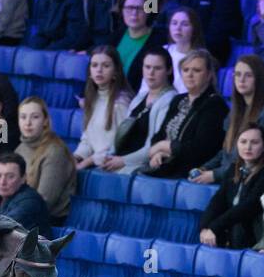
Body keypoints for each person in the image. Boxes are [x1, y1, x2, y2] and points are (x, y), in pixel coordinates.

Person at [191, 54, 264, 183]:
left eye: (248, 75)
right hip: (229, 177)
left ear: (259, 79)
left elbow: (259, 161)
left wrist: (215, 175)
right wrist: (205, 168)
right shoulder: (235, 111)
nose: (241, 80)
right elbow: (225, 152)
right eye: (237, 74)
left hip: (248, 182)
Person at [143, 49, 227, 180]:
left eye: (197, 70)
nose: (190, 75)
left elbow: (200, 149)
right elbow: (158, 136)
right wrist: (157, 153)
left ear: (209, 74)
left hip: (190, 171)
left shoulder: (215, 105)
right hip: (166, 165)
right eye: (186, 70)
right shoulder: (178, 100)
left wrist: (163, 146)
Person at [197, 125, 264, 249]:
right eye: (243, 142)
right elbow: (218, 201)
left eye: (254, 142)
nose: (248, 147)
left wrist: (215, 227)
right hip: (232, 234)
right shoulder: (233, 169)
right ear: (237, 145)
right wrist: (204, 227)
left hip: (254, 240)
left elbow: (250, 206)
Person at [105, 47, 175, 175]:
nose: (151, 73)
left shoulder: (170, 99)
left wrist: (123, 160)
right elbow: (122, 134)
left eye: (157, 68)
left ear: (169, 70)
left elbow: (154, 145)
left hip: (139, 165)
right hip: (121, 159)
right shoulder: (140, 96)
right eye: (147, 67)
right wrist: (110, 156)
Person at [15, 96, 76, 223]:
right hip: (21, 215)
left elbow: (44, 201)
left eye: (35, 117)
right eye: (23, 117)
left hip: (46, 222)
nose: (28, 122)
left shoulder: (55, 152)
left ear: (45, 121)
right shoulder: (20, 149)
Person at [74, 47, 131, 171]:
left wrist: (87, 162)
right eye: (94, 65)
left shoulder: (121, 103)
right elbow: (87, 140)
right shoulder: (92, 99)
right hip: (97, 166)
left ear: (116, 71)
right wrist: (76, 157)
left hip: (114, 170)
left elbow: (118, 146)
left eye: (106, 66)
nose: (99, 70)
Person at [0, 151, 51, 237]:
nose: (2, 182)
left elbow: (0, 229)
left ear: (23, 178)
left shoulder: (30, 201)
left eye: (10, 176)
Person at [116, 0, 158, 92]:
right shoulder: (116, 35)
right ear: (122, 10)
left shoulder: (158, 41)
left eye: (140, 8)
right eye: (129, 8)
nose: (134, 13)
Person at [162, 6, 203, 93]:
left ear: (194, 29)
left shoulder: (199, 59)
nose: (178, 28)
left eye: (185, 24)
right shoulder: (163, 51)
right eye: (174, 23)